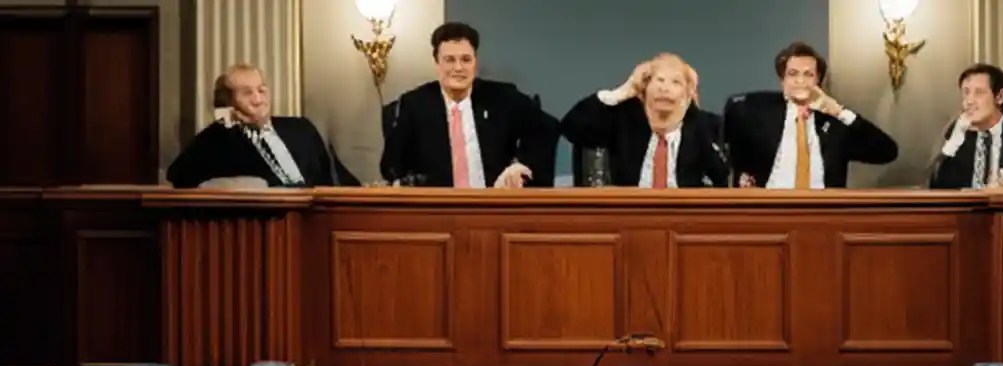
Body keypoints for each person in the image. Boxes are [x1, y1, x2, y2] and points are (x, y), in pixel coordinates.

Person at [379, 22, 555, 188]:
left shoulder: (502, 97)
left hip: (494, 201)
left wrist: (520, 165)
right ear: (437, 64)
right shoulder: (415, 105)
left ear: (475, 63)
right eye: (449, 60)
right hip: (438, 203)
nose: (458, 68)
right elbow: (391, 166)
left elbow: (547, 128)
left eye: (466, 59)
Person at [723, 42, 898, 189]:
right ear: (782, 80)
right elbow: (728, 152)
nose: (800, 81)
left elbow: (886, 151)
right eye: (792, 74)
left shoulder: (835, 125)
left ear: (817, 80)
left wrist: (839, 111)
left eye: (808, 74)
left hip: (822, 212)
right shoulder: (756, 114)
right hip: (770, 210)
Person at [167, 63, 356, 188]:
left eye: (261, 90)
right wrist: (226, 122)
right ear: (229, 101)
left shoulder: (301, 128)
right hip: (266, 223)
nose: (258, 99)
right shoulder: (219, 140)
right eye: (247, 93)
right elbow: (178, 176)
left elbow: (329, 180)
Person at [560, 53, 728, 188]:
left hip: (686, 216)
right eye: (659, 80)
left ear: (688, 94)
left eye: (675, 82)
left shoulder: (707, 128)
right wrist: (621, 92)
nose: (665, 88)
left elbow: (726, 180)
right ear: (644, 90)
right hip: (627, 214)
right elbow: (572, 128)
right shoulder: (624, 122)